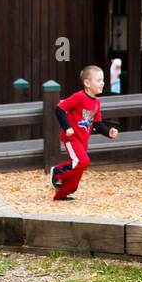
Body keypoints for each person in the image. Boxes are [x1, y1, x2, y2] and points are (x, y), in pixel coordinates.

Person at [51, 65, 119, 200]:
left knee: (79, 168)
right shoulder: (79, 97)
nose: (102, 83)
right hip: (72, 138)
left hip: (83, 140)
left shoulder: (97, 102)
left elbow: (98, 124)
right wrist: (67, 127)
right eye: (99, 80)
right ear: (87, 83)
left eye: (103, 80)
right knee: (82, 161)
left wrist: (108, 132)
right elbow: (59, 109)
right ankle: (57, 172)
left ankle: (63, 193)